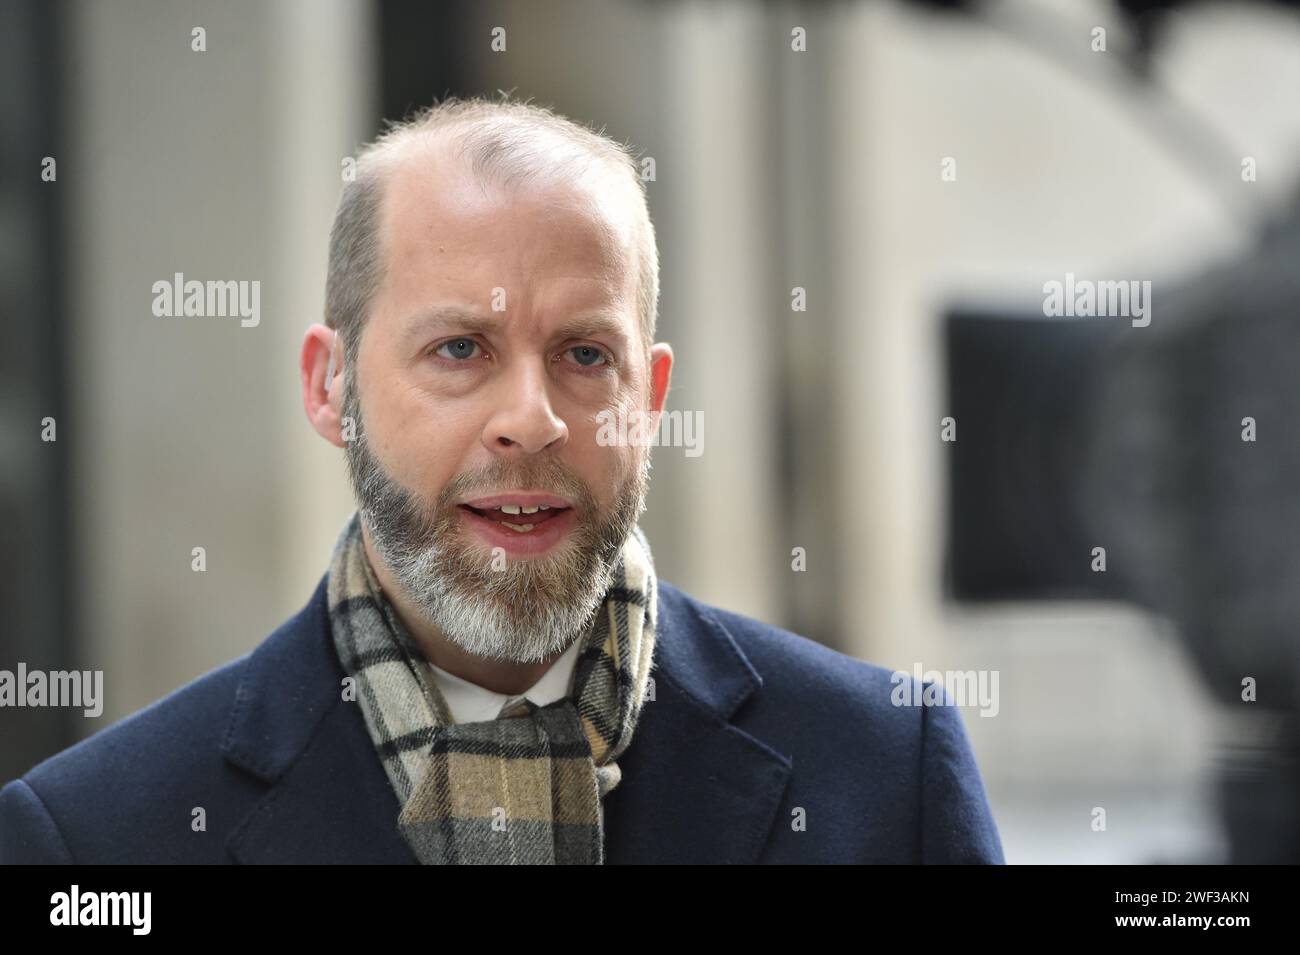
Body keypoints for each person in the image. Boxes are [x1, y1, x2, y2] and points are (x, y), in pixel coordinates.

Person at [0, 96, 1004, 864]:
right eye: (460, 348)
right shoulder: (93, 838)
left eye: (584, 355)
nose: (532, 417)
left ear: (650, 398)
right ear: (330, 386)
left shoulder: (885, 774)